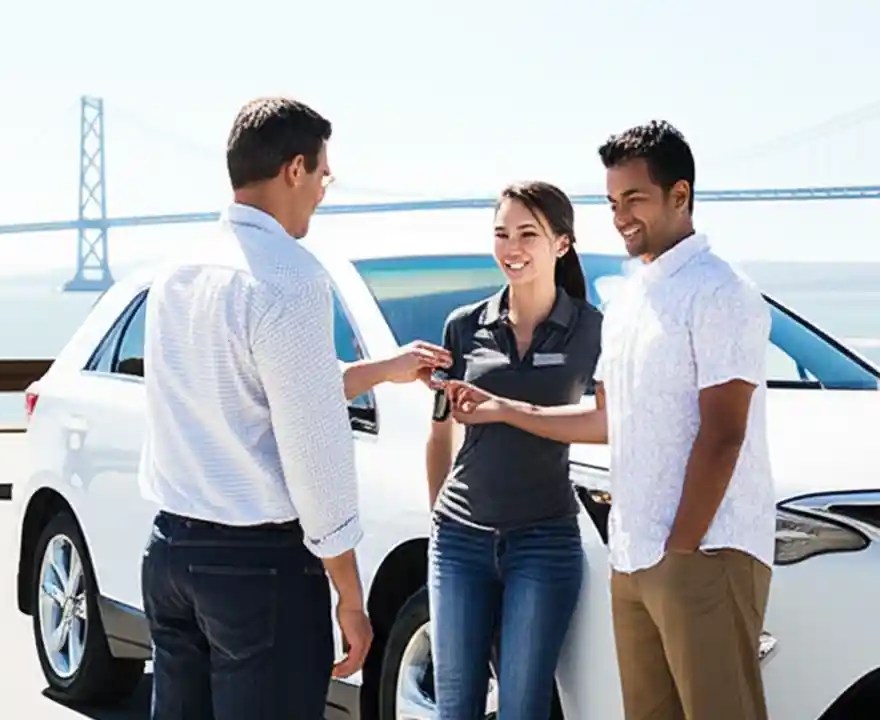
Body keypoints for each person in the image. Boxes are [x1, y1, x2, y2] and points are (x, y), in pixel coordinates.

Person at [443, 121, 775, 720]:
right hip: (634, 556)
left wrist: (680, 548)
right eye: (613, 201)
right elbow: (607, 420)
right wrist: (503, 409)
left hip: (704, 552)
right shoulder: (628, 303)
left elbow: (724, 433)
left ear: (680, 195)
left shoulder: (721, 291)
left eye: (635, 198)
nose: (621, 216)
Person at [137, 96, 449, 719]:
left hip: (169, 554)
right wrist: (350, 594)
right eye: (323, 175)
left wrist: (382, 370)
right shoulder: (290, 277)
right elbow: (314, 451)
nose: (323, 192)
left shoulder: (177, 270)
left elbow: (252, 392)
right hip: (257, 571)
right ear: (295, 169)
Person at [425, 181, 602, 719]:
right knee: (455, 707)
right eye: (501, 234)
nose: (511, 248)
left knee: (523, 707)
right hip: (459, 541)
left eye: (528, 234)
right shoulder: (463, 326)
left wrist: (504, 408)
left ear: (562, 244)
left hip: (543, 541)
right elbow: (439, 432)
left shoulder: (593, 330)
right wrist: (438, 519)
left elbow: (606, 425)